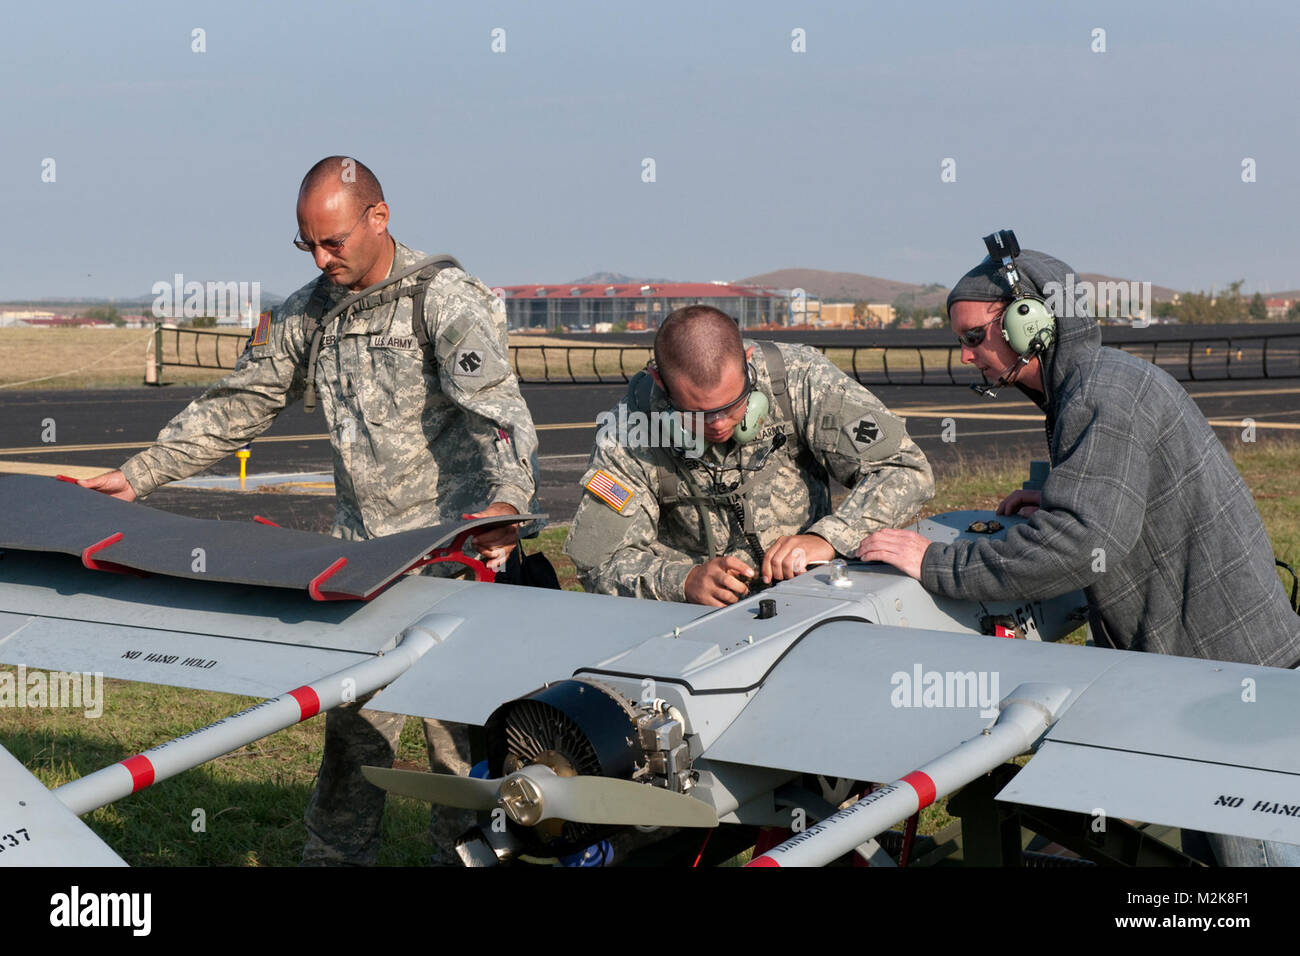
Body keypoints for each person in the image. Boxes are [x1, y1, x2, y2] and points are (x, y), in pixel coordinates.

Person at [80, 156, 542, 865]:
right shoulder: (307, 312)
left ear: (378, 218)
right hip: (366, 568)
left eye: (334, 242)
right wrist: (139, 474)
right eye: (308, 244)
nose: (322, 258)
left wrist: (506, 502)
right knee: (352, 743)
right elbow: (241, 404)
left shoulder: (444, 299)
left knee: (460, 755)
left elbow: (498, 413)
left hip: (457, 565)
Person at [858, 239, 1300, 866]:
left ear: (1028, 323)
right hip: (1218, 674)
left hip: (1229, 692)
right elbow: (1117, 504)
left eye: (975, 337)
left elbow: (1079, 542)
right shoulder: (1098, 380)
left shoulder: (1101, 393)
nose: (966, 356)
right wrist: (1059, 496)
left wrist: (933, 562)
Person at [565, 305, 934, 605]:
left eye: (732, 405)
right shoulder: (630, 431)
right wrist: (682, 581)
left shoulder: (799, 380)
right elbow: (597, 561)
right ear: (661, 383)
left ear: (747, 360)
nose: (719, 424)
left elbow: (905, 469)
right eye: (699, 413)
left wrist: (829, 539)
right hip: (693, 622)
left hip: (809, 599)